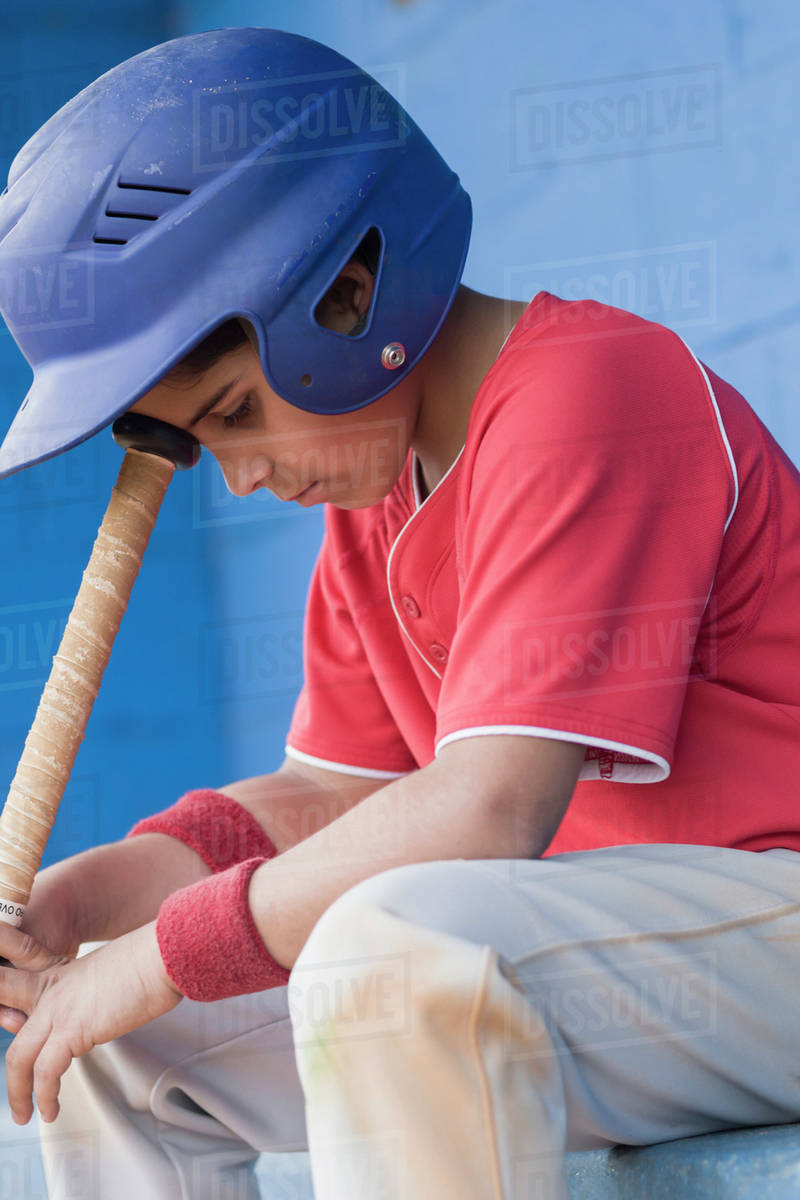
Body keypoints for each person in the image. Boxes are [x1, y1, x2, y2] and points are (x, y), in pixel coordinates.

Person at [0, 26, 799, 1200]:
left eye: (233, 413)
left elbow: (482, 804)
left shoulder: (591, 393)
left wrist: (171, 952)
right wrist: (95, 903)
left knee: (391, 946)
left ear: (348, 289)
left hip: (766, 926)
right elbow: (338, 803)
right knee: (106, 1036)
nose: (239, 478)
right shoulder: (377, 494)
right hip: (606, 968)